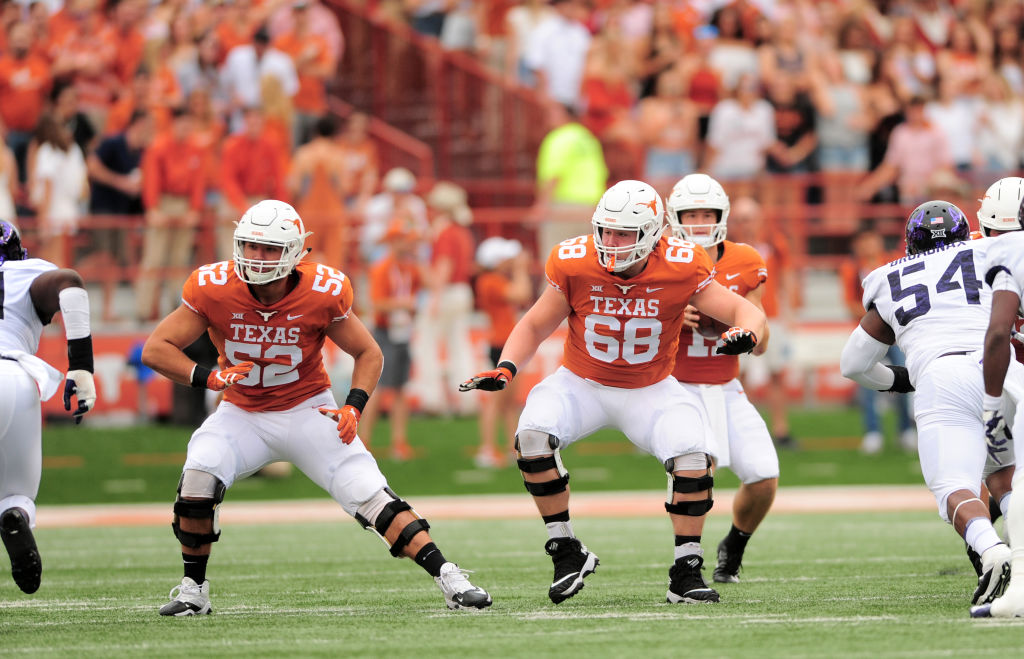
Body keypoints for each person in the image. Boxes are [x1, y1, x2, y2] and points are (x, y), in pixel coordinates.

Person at [140, 200, 490, 616]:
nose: (256, 257)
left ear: (293, 252)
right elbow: (156, 349)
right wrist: (211, 378)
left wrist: (354, 408)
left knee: (368, 492)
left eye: (269, 249)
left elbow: (368, 353)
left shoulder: (322, 290)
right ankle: (193, 590)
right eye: (250, 246)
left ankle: (449, 577)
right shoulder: (213, 286)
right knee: (198, 477)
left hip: (309, 409)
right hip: (241, 412)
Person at [460, 180, 766, 605]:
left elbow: (742, 308)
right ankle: (566, 550)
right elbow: (534, 323)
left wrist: (745, 330)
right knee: (531, 437)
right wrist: (506, 368)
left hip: (650, 388)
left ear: (654, 234)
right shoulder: (574, 260)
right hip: (582, 382)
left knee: (694, 455)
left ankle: (687, 572)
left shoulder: (681, 263)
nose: (611, 242)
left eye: (623, 233)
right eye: (605, 230)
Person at [839, 200, 1014, 609]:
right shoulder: (992, 251)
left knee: (954, 485)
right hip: (1003, 367)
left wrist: (899, 380)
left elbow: (853, 364)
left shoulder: (888, 277)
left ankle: (991, 550)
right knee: (1006, 475)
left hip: (943, 376)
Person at [665, 174, 778, 585]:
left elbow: (762, 340)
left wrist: (743, 333)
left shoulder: (743, 261)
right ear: (674, 218)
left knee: (764, 477)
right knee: (700, 467)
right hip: (672, 388)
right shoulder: (658, 260)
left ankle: (734, 544)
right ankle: (687, 563)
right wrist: (674, 318)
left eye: (705, 214)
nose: (697, 222)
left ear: (721, 216)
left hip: (726, 386)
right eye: (689, 214)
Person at [0, 220, 97, 594]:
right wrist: (82, 365)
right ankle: (15, 516)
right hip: (13, 376)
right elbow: (69, 281)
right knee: (16, 496)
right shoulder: (26, 272)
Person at [971, 192, 1024, 619]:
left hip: (1012, 374)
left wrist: (990, 403)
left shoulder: (1007, 250)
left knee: (1018, 481)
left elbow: (997, 333)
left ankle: (1021, 587)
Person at [838, 226, 916, 454]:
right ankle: (873, 432)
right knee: (866, 384)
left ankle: (906, 429)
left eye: (871, 240)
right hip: (868, 334)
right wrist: (877, 319)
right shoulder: (851, 268)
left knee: (904, 378)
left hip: (895, 333)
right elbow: (849, 302)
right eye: (863, 241)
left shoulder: (893, 262)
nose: (868, 246)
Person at [359, 219, 421, 460]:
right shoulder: (382, 268)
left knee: (400, 389)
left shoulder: (408, 267)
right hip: (386, 331)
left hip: (401, 331)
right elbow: (377, 304)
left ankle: (398, 441)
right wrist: (403, 304)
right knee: (381, 388)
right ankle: (364, 441)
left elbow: (422, 285)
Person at [472, 236, 532, 468]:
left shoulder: (493, 279)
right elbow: (522, 293)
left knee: (509, 402)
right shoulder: (490, 281)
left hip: (505, 343)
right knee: (496, 401)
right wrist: (520, 269)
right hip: (501, 345)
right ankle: (487, 449)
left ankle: (510, 447)